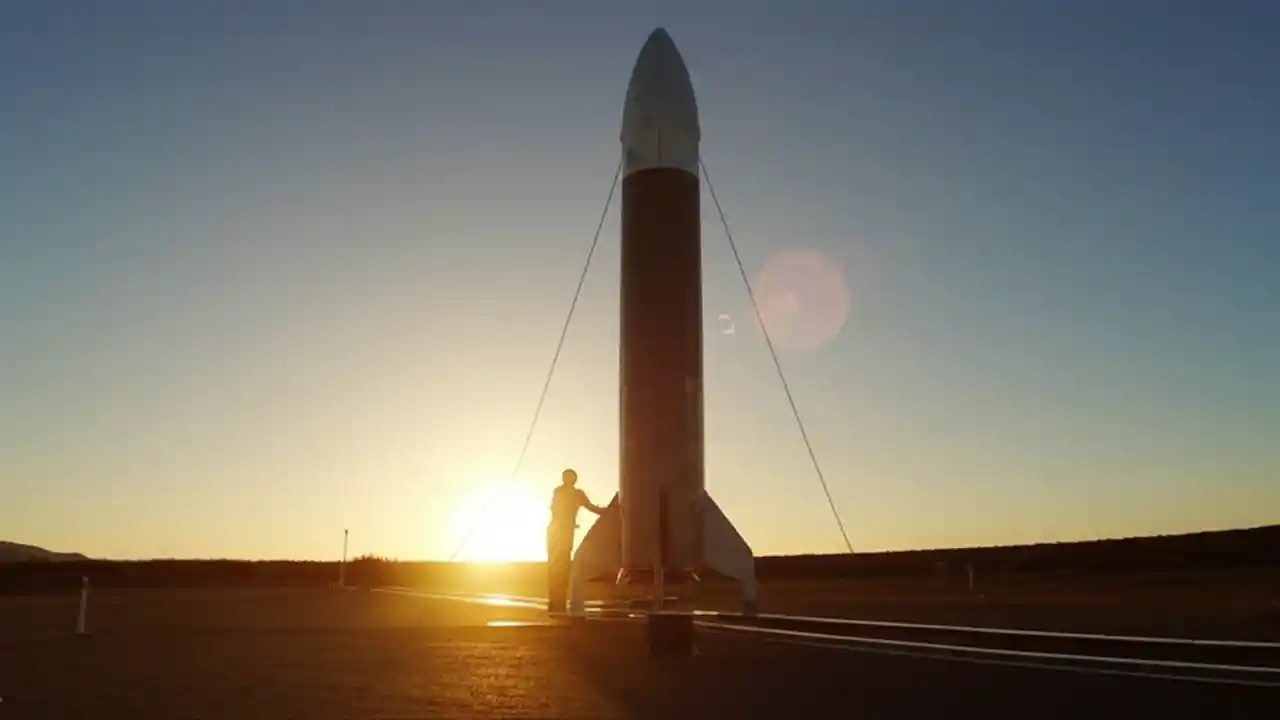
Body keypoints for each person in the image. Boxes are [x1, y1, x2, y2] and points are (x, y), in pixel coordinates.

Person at [546, 468, 604, 613]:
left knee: (557, 567)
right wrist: (606, 511)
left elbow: (555, 508)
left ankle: (556, 603)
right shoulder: (572, 493)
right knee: (560, 567)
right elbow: (589, 507)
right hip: (561, 531)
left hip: (557, 530)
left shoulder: (561, 492)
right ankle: (556, 603)